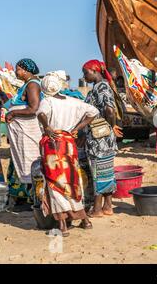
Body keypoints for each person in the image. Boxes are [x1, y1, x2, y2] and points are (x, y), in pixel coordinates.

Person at [37, 75, 99, 236]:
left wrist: (47, 127)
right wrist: (77, 128)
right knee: (72, 181)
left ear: (44, 88)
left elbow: (41, 114)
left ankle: (63, 225)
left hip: (53, 145)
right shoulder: (72, 101)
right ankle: (85, 220)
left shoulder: (47, 101)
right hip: (68, 145)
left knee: (55, 182)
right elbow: (93, 112)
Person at [82, 60, 122, 218]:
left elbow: (109, 110)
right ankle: (108, 206)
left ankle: (97, 209)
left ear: (94, 70)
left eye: (86, 72)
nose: (84, 76)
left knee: (97, 171)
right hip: (104, 138)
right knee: (106, 170)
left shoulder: (101, 87)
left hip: (99, 138)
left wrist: (110, 126)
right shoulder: (102, 86)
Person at [5, 59, 44, 205]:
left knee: (30, 161)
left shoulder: (33, 85)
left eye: (18, 69)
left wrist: (13, 114)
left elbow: (33, 108)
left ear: (26, 70)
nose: (16, 72)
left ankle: (33, 200)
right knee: (24, 161)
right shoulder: (27, 84)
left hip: (28, 131)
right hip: (21, 132)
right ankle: (29, 198)